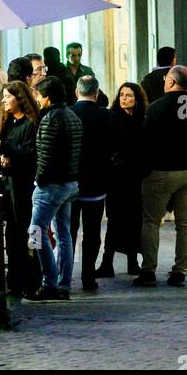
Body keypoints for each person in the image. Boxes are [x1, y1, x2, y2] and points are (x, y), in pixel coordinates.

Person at [135, 64, 187, 288]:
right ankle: (180, 271)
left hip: (161, 171)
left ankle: (148, 271)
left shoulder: (156, 108)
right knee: (185, 223)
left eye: (166, 78)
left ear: (171, 82)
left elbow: (144, 140)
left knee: (151, 222)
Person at [27, 75, 82, 302]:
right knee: (64, 236)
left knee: (35, 232)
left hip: (51, 185)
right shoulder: (72, 116)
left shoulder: (50, 119)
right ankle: (63, 285)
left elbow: (46, 156)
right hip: (70, 183)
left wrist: (39, 180)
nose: (37, 100)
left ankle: (49, 282)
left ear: (47, 98)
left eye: (39, 95)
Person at [95, 81, 147, 278]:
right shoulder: (112, 116)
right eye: (123, 95)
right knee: (115, 220)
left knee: (134, 220)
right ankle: (107, 263)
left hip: (135, 178)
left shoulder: (142, 118)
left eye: (130, 95)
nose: (125, 99)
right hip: (117, 178)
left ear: (137, 99)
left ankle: (133, 262)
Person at [0, 80, 40, 297]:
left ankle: (31, 278)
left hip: (25, 185)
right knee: (11, 233)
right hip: (8, 185)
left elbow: (31, 152)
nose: (4, 100)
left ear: (19, 99)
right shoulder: (6, 121)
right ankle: (14, 278)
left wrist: (10, 153)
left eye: (7, 96)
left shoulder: (31, 123)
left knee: (29, 232)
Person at [70, 75, 111, 291]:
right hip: (96, 182)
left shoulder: (68, 113)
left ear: (77, 92)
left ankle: (65, 275)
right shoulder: (105, 116)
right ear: (96, 93)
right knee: (93, 232)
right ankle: (88, 276)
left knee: (69, 230)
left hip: (71, 180)